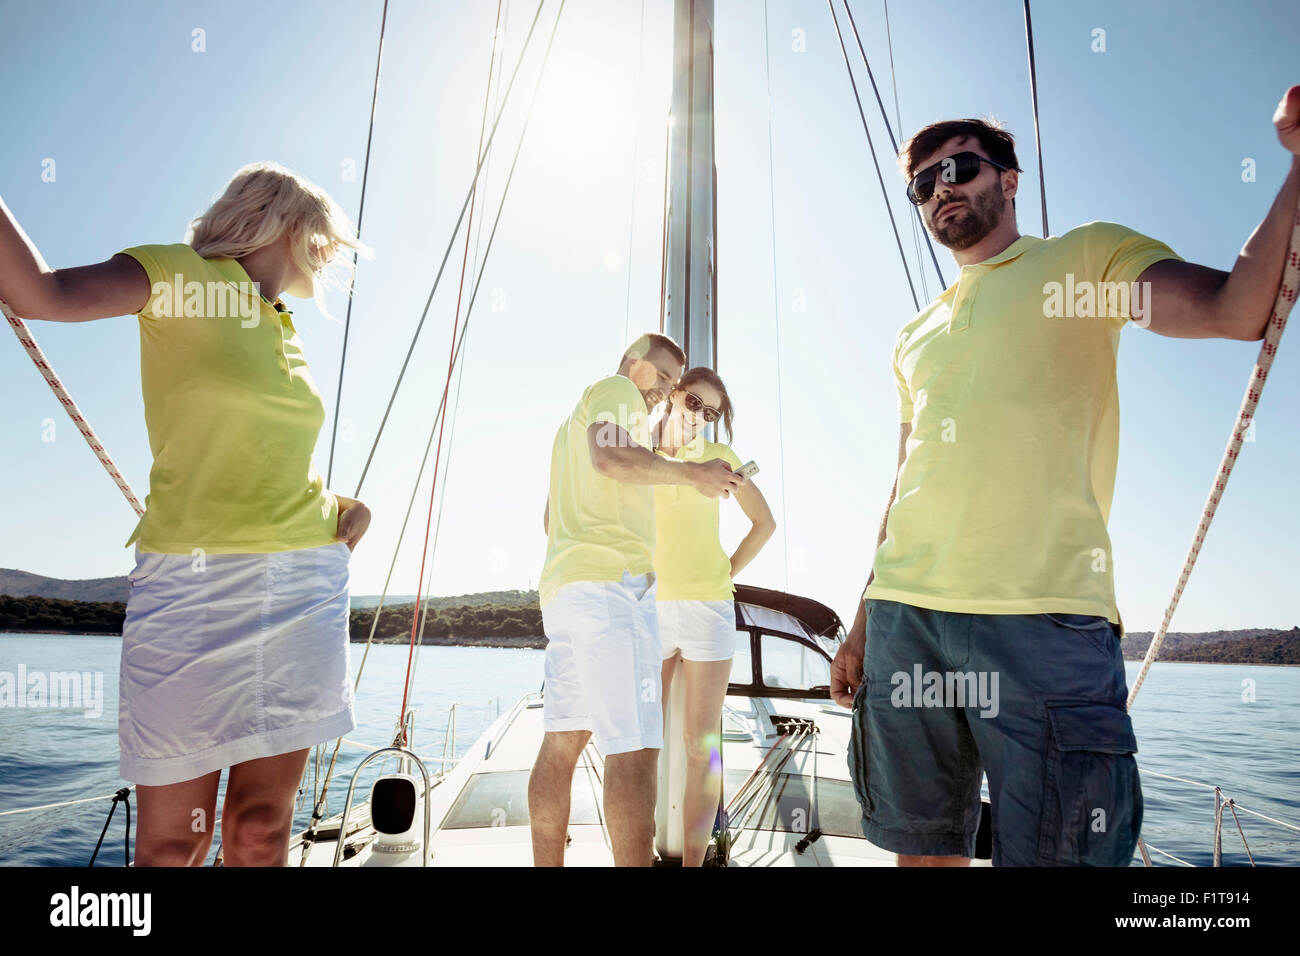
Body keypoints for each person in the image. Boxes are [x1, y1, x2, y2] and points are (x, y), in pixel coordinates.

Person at [832, 84, 1300, 867]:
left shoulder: (1084, 260)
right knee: (921, 854)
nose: (941, 188)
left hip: (1041, 622)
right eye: (924, 183)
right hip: (906, 616)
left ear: (1008, 179)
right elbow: (907, 481)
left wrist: (1294, 169)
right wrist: (862, 619)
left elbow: (1233, 309)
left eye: (960, 167)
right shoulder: (914, 334)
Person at [0, 161, 373, 866]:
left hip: (303, 584)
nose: (326, 256)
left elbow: (265, 456)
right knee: (175, 844)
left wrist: (345, 510)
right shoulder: (176, 275)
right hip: (190, 587)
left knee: (261, 829)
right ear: (287, 222)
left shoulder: (282, 328)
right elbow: (38, 293)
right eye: (322, 238)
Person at [530, 333, 742, 866]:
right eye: (662, 376)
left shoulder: (567, 428)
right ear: (632, 363)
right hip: (611, 590)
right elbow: (609, 458)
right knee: (634, 753)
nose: (664, 390)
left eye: (673, 383)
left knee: (561, 745)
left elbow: (549, 518)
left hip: (566, 593)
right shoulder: (617, 390)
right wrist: (693, 475)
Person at [651, 367, 775, 866]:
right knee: (643, 743)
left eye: (711, 413)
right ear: (674, 393)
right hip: (650, 608)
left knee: (702, 748)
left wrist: (726, 570)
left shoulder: (721, 460)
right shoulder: (640, 452)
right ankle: (637, 853)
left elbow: (764, 524)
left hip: (708, 611)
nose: (700, 417)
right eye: (694, 403)